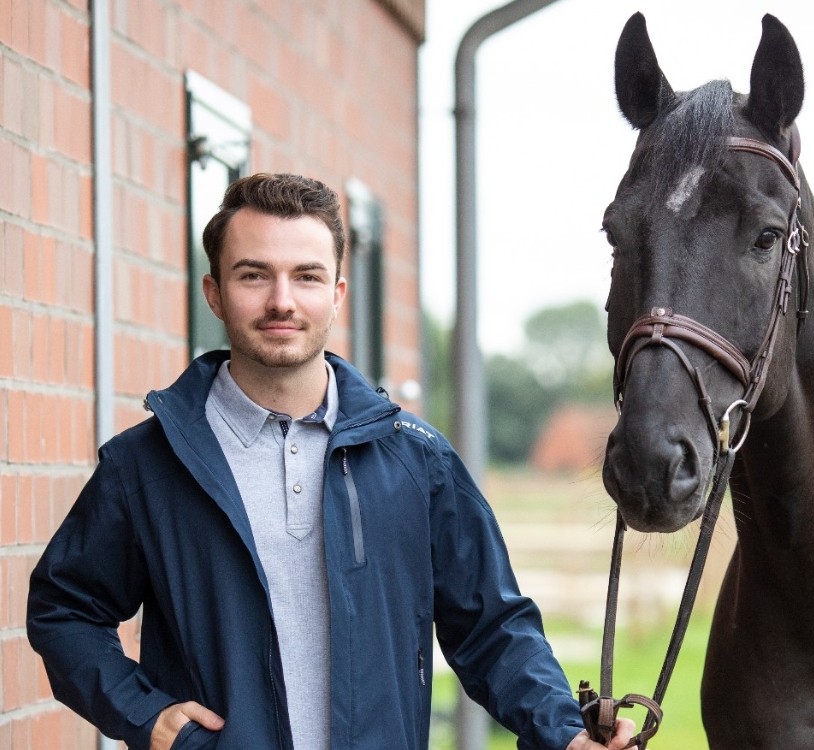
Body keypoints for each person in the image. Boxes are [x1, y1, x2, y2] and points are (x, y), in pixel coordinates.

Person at [27, 173, 633, 750]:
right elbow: (65, 610)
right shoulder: (148, 465)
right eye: (253, 275)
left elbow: (492, 629)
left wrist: (565, 731)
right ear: (213, 292)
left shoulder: (416, 460)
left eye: (307, 276)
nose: (282, 301)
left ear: (338, 294)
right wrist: (148, 718)